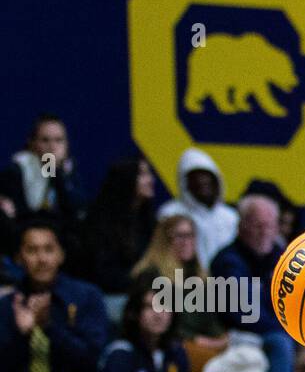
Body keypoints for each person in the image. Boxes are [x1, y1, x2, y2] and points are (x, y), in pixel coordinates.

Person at [0, 218, 108, 372]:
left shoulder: (86, 298)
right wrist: (22, 335)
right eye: (32, 250)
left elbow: (90, 360)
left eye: (49, 249)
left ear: (61, 255)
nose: (41, 259)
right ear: (19, 257)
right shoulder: (7, 306)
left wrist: (49, 327)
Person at [209, 194, 295, 372]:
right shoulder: (228, 260)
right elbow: (245, 312)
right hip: (237, 332)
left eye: (270, 226)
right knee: (280, 343)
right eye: (258, 225)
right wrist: (291, 329)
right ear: (241, 226)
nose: (265, 232)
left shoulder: (281, 256)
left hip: (278, 327)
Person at [133, 214, 223, 347]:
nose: (186, 241)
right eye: (180, 236)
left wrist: (220, 337)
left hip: (206, 344)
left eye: (191, 235)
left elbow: (210, 321)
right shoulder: (151, 276)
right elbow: (156, 322)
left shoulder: (198, 276)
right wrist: (195, 339)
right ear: (164, 241)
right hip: (171, 344)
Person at [82, 156, 156, 299]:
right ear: (126, 178)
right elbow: (102, 274)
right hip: (110, 295)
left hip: (145, 294)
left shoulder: (149, 220)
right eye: (142, 174)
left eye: (149, 174)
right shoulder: (100, 221)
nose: (150, 180)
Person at [157, 147, 238, 269]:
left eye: (207, 181)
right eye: (197, 181)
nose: (203, 185)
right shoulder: (170, 213)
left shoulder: (231, 217)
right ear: (185, 183)